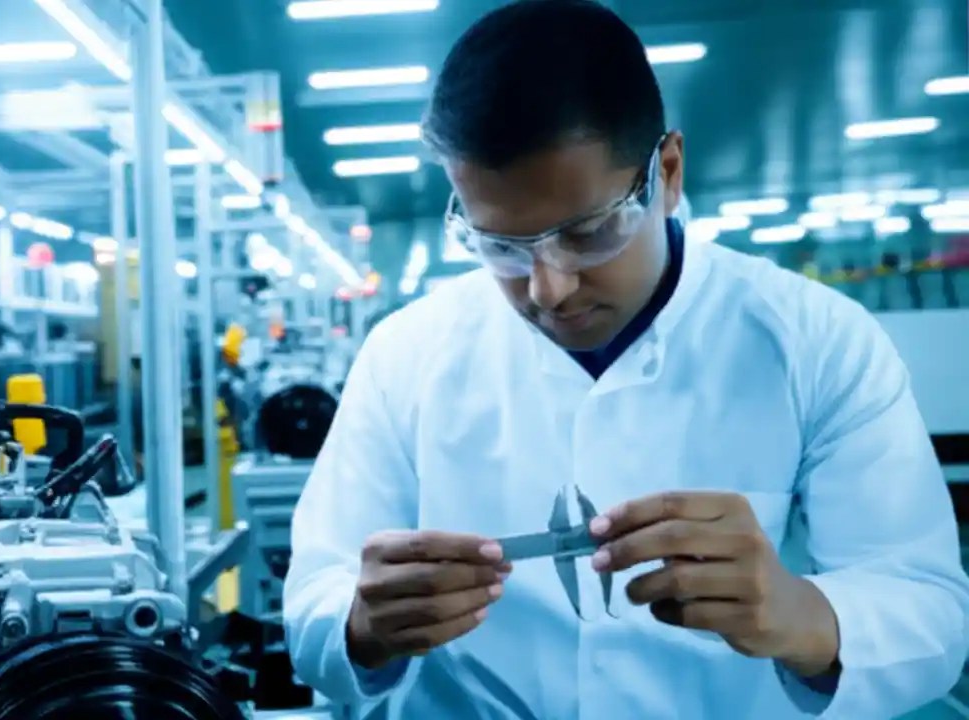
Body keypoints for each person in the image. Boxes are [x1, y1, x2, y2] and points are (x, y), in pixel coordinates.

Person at [281, 1, 969, 718]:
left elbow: (929, 611)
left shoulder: (817, 340)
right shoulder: (405, 355)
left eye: (588, 233)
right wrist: (361, 626)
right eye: (501, 248)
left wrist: (801, 614)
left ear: (666, 173)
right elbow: (313, 606)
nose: (549, 288)